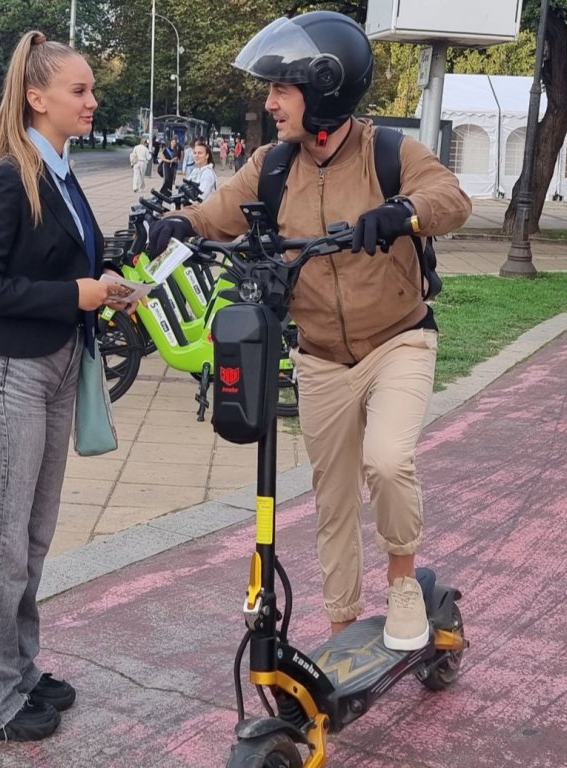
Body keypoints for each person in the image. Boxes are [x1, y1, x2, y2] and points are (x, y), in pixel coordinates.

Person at [145, 11, 471, 652]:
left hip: (397, 340)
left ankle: (403, 581)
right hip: (319, 356)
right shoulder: (271, 166)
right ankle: (344, 626)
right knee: (332, 499)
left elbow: (450, 198)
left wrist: (402, 213)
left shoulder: (389, 151)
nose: (269, 104)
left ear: (323, 89)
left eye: (280, 90)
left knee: (387, 459)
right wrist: (180, 223)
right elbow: (219, 212)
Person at [0, 30, 129, 742]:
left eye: (90, 90)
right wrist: (73, 296)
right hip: (8, 378)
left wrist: (104, 287)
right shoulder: (8, 175)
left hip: (52, 372)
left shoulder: (59, 170)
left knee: (32, 537)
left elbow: (59, 269)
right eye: (79, 90)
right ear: (37, 97)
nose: (91, 100)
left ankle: (15, 672)